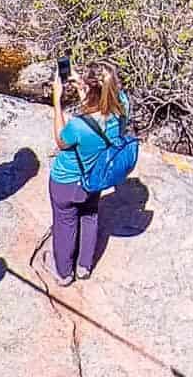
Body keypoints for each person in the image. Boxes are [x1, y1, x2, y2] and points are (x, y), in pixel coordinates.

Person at [47, 59, 130, 285]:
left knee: (65, 222)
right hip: (96, 176)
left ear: (92, 87)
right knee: (90, 214)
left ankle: (64, 273)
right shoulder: (123, 107)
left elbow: (61, 142)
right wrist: (83, 87)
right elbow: (102, 108)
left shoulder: (79, 126)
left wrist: (57, 102)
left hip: (68, 180)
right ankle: (84, 266)